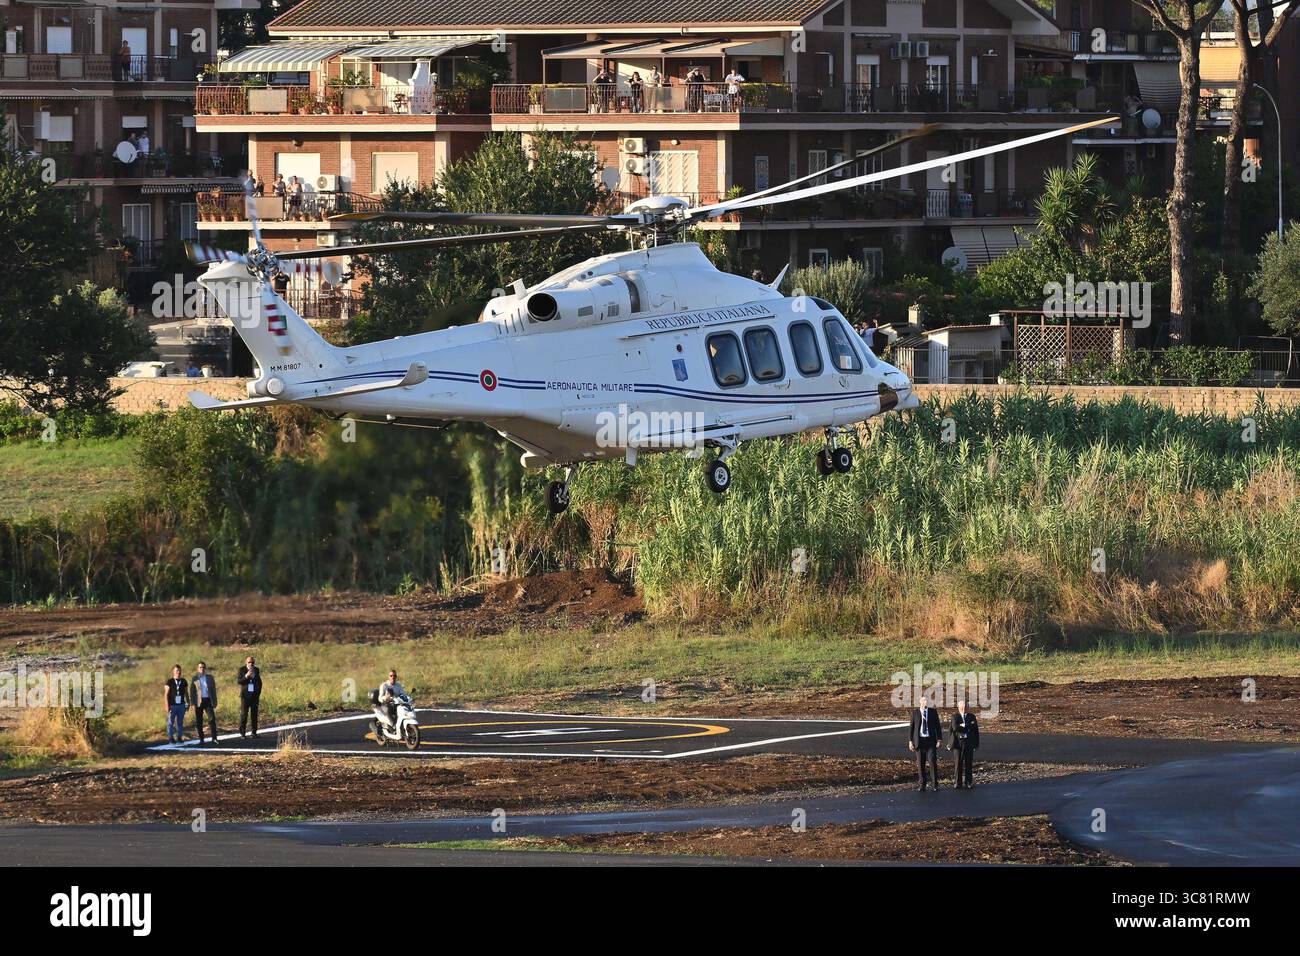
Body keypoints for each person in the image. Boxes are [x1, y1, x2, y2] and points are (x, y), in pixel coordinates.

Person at [908, 695, 942, 791]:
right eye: (924, 701)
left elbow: (937, 726)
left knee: (932, 762)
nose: (926, 703)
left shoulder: (933, 712)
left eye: (927, 701)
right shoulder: (915, 713)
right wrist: (910, 741)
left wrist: (939, 739)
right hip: (919, 742)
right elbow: (911, 728)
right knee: (920, 763)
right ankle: (922, 784)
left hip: (930, 741)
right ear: (920, 702)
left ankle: (935, 784)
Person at [949, 698, 980, 788]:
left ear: (968, 707)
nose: (964, 709)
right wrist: (967, 726)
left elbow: (975, 730)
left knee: (969, 763)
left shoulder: (972, 716)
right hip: (958, 744)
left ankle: (968, 782)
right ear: (958, 708)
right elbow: (954, 728)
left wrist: (976, 744)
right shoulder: (955, 716)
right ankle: (957, 783)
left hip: (969, 743)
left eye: (965, 707)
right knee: (958, 764)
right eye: (962, 707)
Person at [190, 660, 218, 744]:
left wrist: (215, 701)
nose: (202, 668)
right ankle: (201, 739)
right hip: (198, 702)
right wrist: (192, 703)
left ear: (205, 668)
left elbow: (213, 690)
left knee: (212, 719)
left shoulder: (210, 677)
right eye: (200, 667)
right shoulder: (194, 678)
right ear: (197, 669)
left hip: (208, 700)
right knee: (199, 721)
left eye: (203, 667)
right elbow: (192, 691)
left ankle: (214, 738)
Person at [237, 655, 263, 738]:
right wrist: (246, 676)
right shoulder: (242, 670)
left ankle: (254, 732)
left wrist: (258, 693)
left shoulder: (256, 670)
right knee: (244, 714)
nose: (251, 664)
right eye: (249, 662)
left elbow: (259, 682)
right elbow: (239, 681)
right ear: (246, 662)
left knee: (254, 715)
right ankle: (242, 733)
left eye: (252, 662)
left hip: (254, 696)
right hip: (245, 696)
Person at [164, 665, 189, 744]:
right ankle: (171, 738)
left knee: (180, 722)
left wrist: (188, 703)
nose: (179, 672)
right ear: (173, 672)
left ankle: (179, 737)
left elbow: (186, 693)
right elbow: (166, 694)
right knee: (171, 722)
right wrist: (166, 705)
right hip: (172, 705)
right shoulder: (169, 681)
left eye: (179, 670)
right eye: (177, 670)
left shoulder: (184, 681)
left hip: (181, 705)